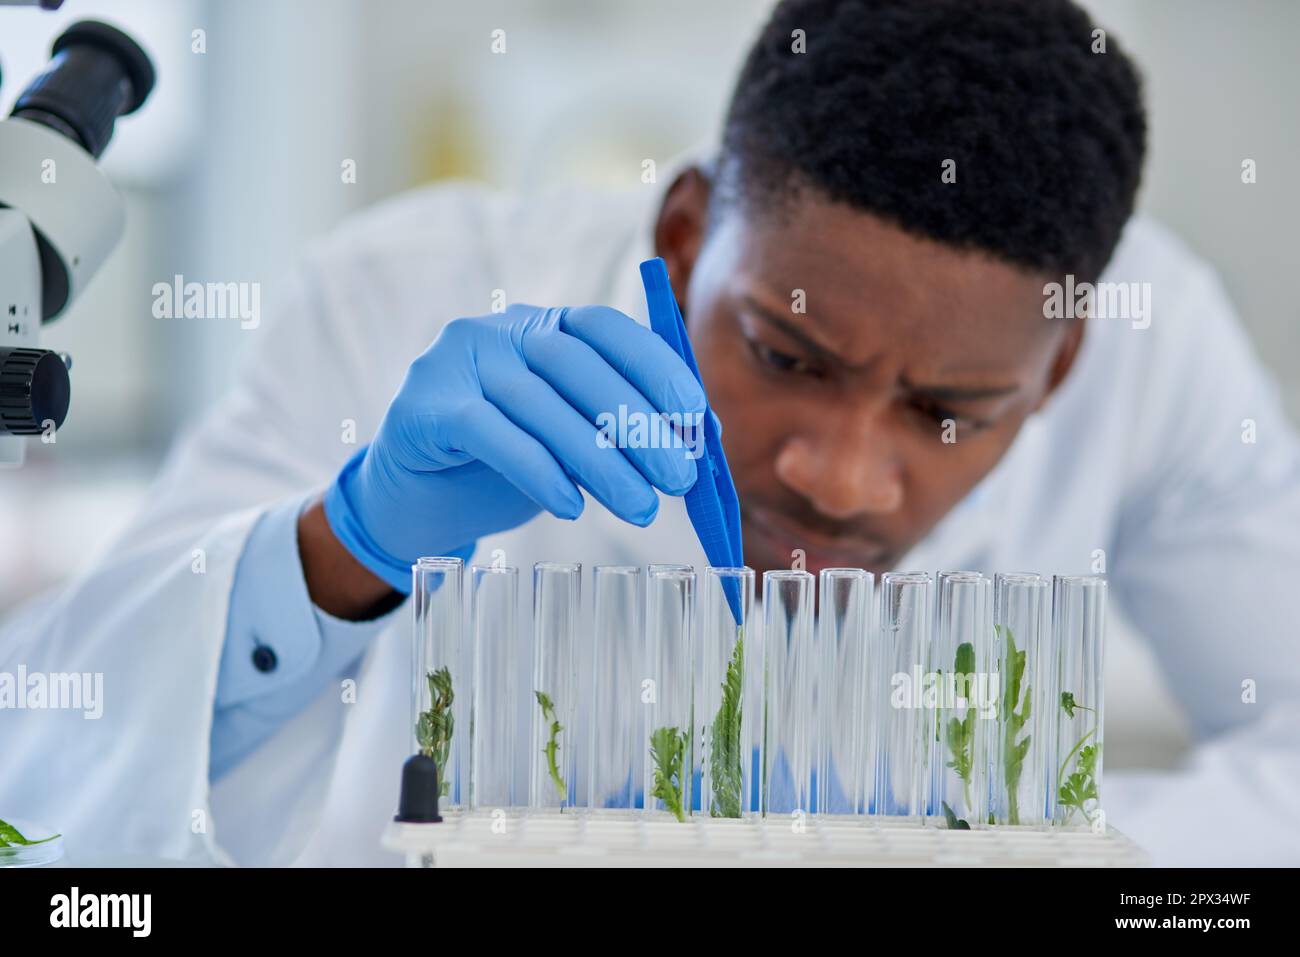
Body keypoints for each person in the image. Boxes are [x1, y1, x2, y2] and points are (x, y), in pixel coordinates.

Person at [2, 0, 1297, 866]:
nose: (838, 475)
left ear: (1062, 358)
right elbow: (44, 775)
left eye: (950, 412)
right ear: (680, 234)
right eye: (787, 354)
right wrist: (340, 551)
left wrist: (1039, 850)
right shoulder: (402, 287)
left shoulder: (1151, 339)